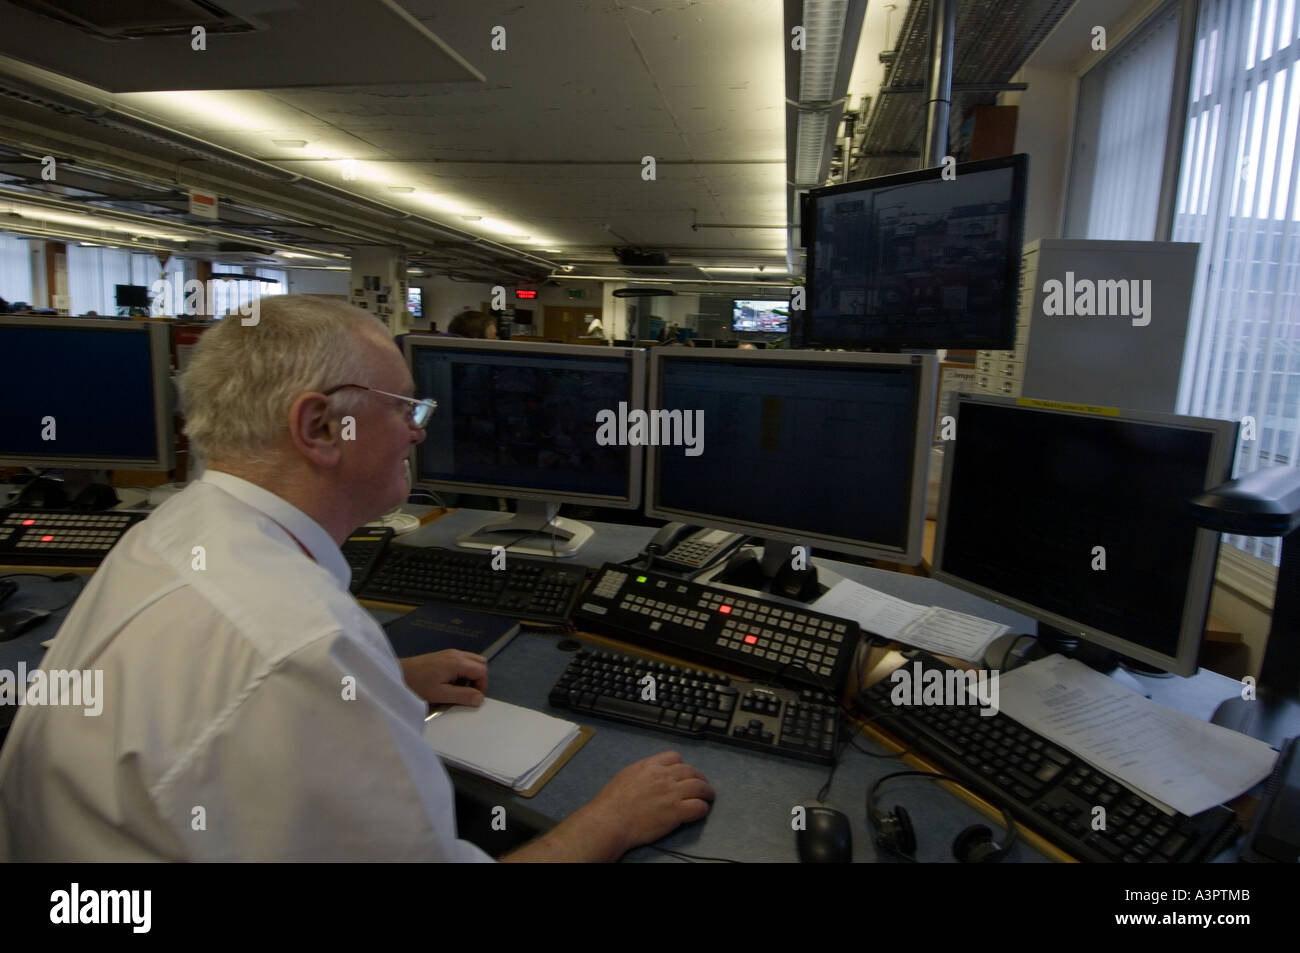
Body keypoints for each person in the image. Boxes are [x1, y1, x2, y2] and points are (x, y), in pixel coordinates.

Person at [0, 295, 713, 861]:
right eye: (403, 406)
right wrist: (610, 822)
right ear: (318, 428)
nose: (418, 430)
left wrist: (377, 681)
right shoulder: (301, 643)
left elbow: (210, 693)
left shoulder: (175, 532)